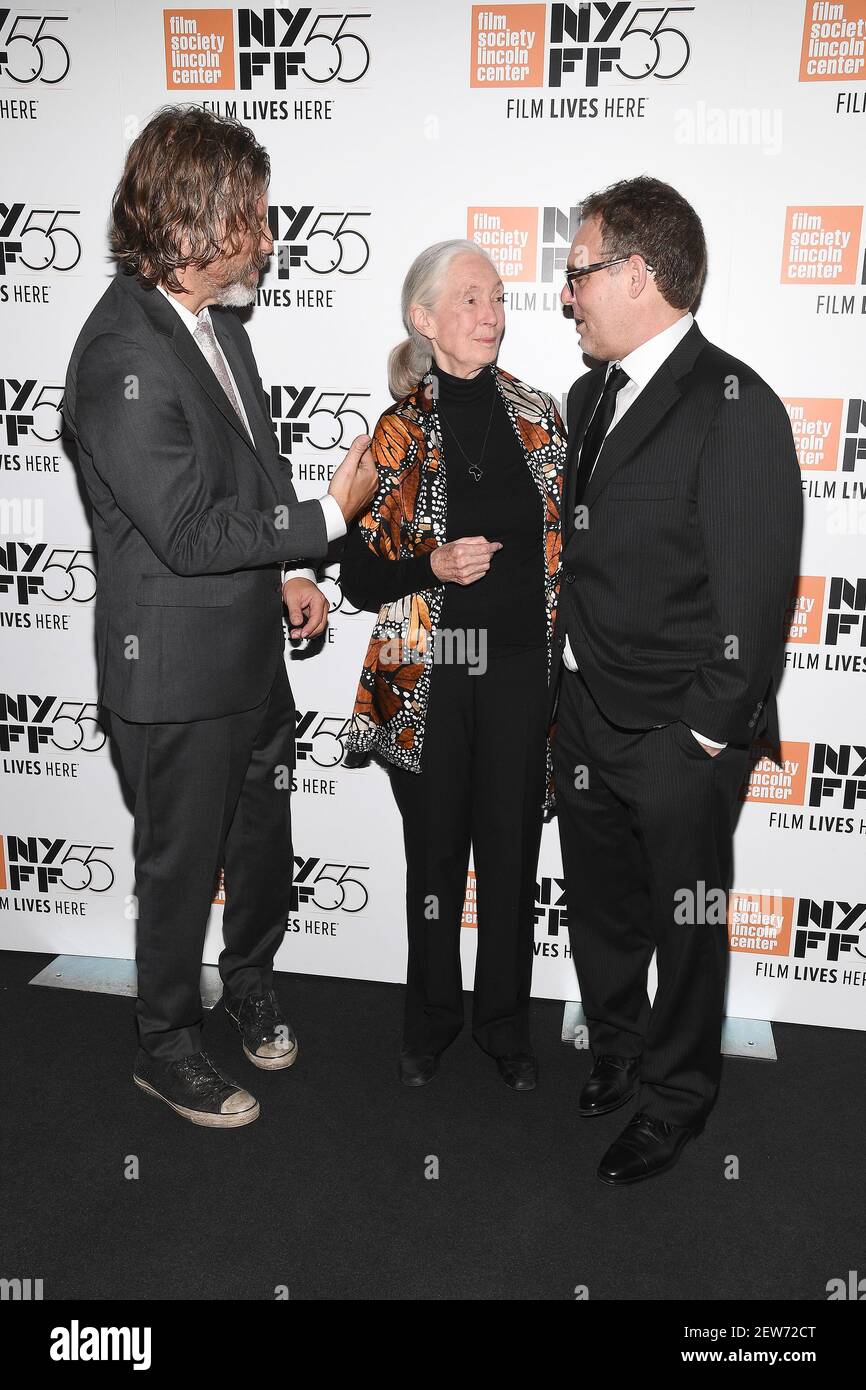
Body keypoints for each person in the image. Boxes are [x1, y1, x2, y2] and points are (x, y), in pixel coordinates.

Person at [63, 105, 375, 1128]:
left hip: (249, 660)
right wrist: (332, 513)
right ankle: (165, 1044)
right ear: (200, 222)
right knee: (178, 868)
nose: (271, 236)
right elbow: (190, 533)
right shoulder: (119, 351)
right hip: (173, 677)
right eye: (257, 215)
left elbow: (244, 476)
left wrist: (292, 563)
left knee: (261, 845)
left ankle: (247, 982)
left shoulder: (214, 327)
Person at [551, 176, 802, 1182]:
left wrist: (697, 739)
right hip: (583, 716)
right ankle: (614, 1048)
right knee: (600, 906)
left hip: (677, 736)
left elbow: (754, 596)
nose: (565, 295)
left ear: (636, 272)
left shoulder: (733, 403)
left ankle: (677, 1097)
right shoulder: (586, 395)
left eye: (577, 273)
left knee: (685, 920)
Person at [341, 240, 565, 1091]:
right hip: (430, 676)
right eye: (470, 299)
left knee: (511, 858)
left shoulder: (541, 416)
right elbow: (357, 576)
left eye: (498, 298)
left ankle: (506, 1027)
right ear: (423, 320)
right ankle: (430, 1022)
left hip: (516, 673)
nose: (491, 314)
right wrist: (429, 567)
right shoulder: (396, 433)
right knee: (433, 860)